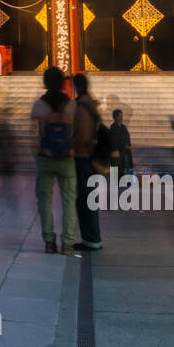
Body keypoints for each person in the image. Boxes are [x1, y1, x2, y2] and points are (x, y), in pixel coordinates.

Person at [31, 66, 76, 255]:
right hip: (67, 159)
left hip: (45, 158)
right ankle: (67, 243)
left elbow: (33, 135)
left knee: (45, 200)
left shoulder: (39, 105)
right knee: (69, 201)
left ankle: (49, 241)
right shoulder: (71, 105)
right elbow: (77, 132)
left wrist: (39, 153)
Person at [71, 73, 103, 251]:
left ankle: (91, 238)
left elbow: (82, 134)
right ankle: (92, 237)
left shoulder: (82, 105)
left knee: (84, 199)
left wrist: (72, 145)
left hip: (83, 157)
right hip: (88, 157)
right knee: (89, 198)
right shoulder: (90, 103)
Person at [110, 109, 133, 178]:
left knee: (127, 167)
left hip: (126, 151)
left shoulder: (123, 127)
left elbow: (127, 136)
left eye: (122, 116)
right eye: (120, 116)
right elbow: (115, 139)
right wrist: (123, 145)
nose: (122, 118)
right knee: (119, 167)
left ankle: (127, 180)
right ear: (116, 117)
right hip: (119, 151)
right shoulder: (113, 127)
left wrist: (128, 145)